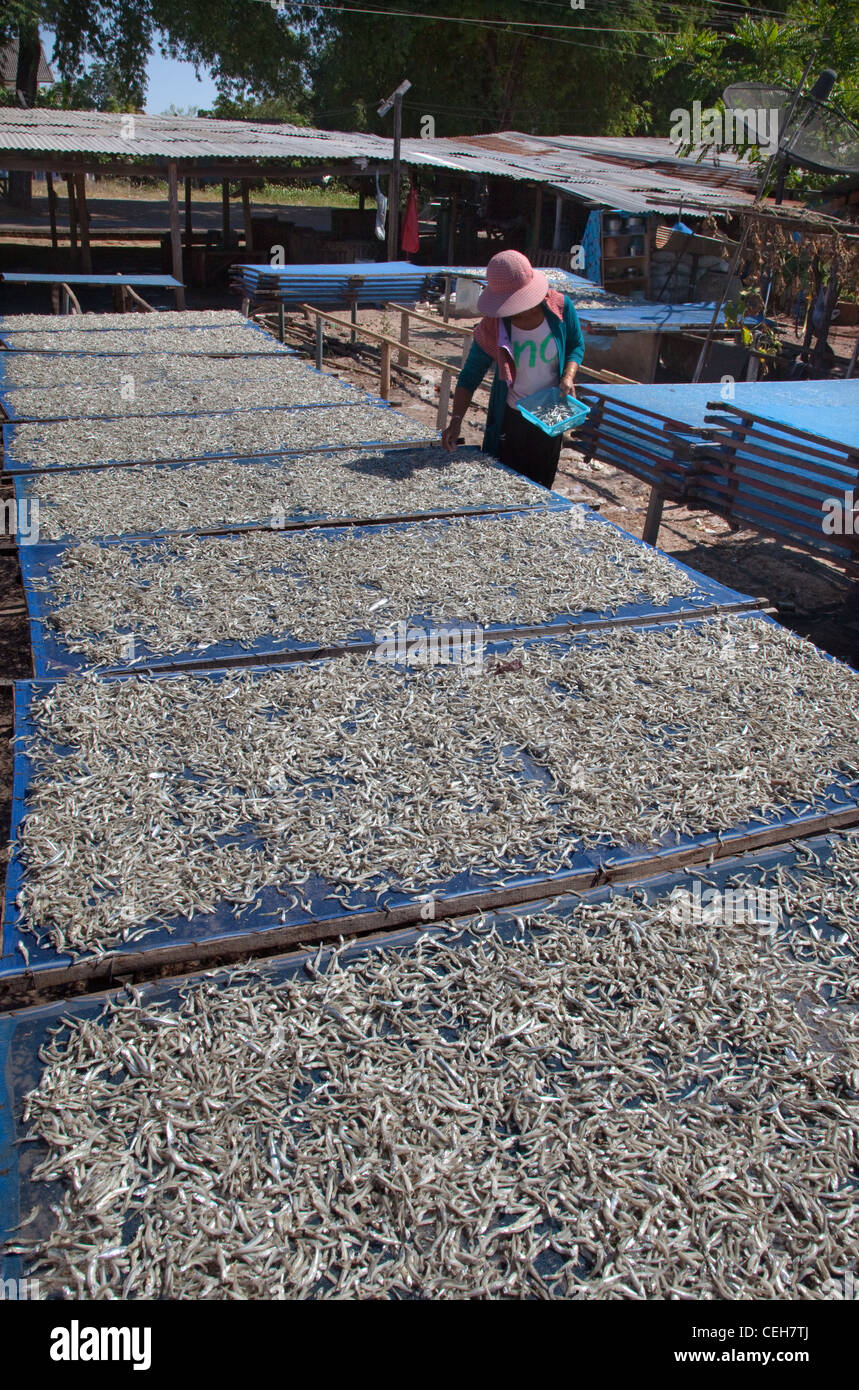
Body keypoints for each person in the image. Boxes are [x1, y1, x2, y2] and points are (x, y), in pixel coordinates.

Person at [441, 249, 585, 489]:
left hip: (549, 418)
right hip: (511, 419)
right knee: (505, 486)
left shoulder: (560, 308)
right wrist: (456, 420)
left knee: (540, 487)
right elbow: (470, 375)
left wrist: (568, 376)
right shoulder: (494, 325)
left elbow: (575, 345)